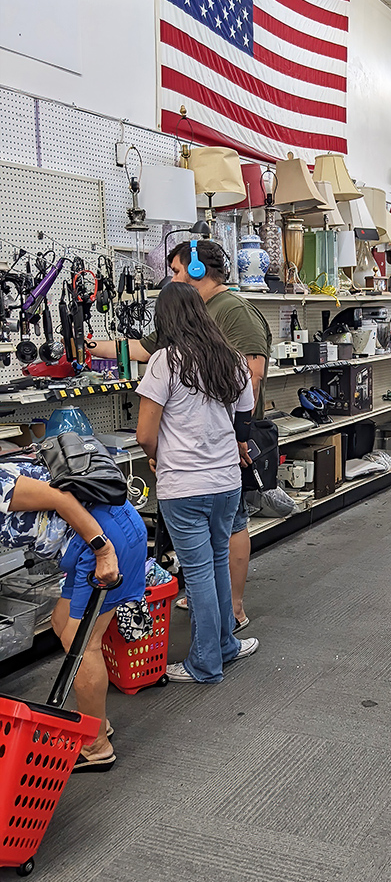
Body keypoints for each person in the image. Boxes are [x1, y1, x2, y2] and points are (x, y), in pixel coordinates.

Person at [91, 240, 271, 630]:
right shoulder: (190, 318)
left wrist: (237, 437)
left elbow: (252, 376)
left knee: (229, 532)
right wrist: (87, 347)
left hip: (227, 443)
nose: (172, 278)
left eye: (176, 270)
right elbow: (142, 348)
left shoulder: (233, 311)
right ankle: (221, 624)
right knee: (215, 547)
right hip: (217, 453)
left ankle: (233, 610)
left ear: (197, 270)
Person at [136, 281, 259, 684]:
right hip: (226, 481)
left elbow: (144, 433)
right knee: (218, 563)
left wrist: (157, 454)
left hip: (184, 485)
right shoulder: (231, 359)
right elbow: (244, 415)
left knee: (199, 573)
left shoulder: (165, 361)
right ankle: (225, 645)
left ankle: (205, 663)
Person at [0, 462, 147, 771]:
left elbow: (61, 498)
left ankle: (96, 746)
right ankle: (97, 722)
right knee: (62, 622)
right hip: (97, 534)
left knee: (82, 643)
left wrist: (103, 552)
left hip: (102, 540)